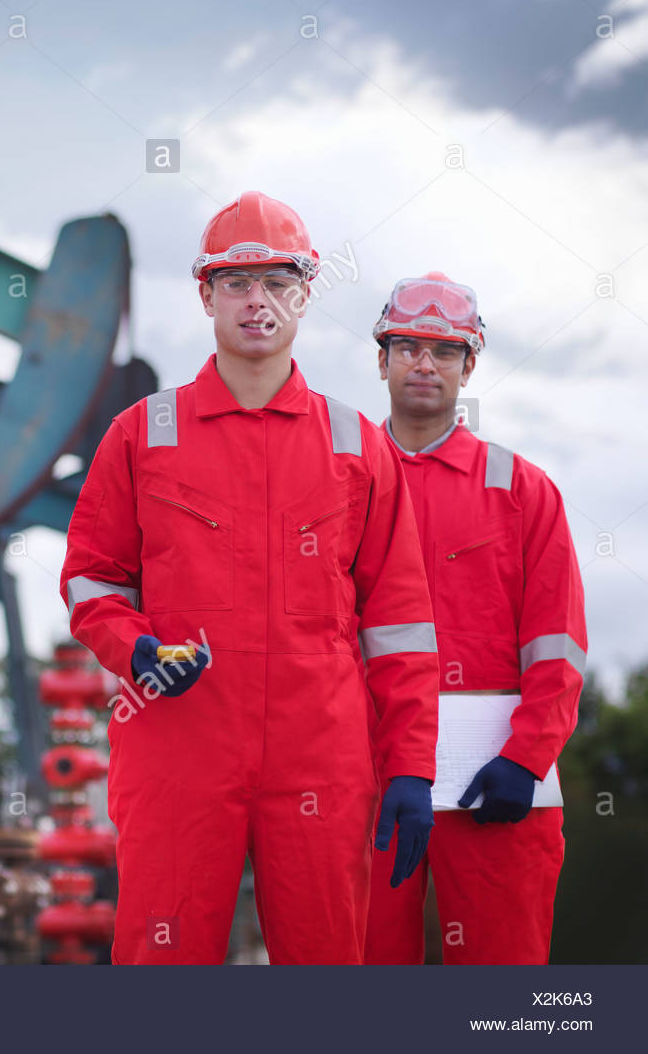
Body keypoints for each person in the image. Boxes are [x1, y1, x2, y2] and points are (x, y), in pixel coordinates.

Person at [59, 191, 439, 964]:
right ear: (205, 295)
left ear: (306, 293)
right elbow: (91, 579)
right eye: (236, 282)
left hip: (322, 755)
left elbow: (399, 624)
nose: (256, 301)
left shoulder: (357, 447)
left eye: (277, 282)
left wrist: (410, 767)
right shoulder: (142, 436)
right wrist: (136, 651)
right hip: (177, 739)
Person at [363, 272, 587, 965]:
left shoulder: (520, 490)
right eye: (408, 348)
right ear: (382, 360)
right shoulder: (341, 479)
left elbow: (559, 644)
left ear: (470, 365)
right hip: (364, 774)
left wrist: (525, 758)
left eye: (444, 351)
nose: (424, 365)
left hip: (492, 778)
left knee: (503, 983)